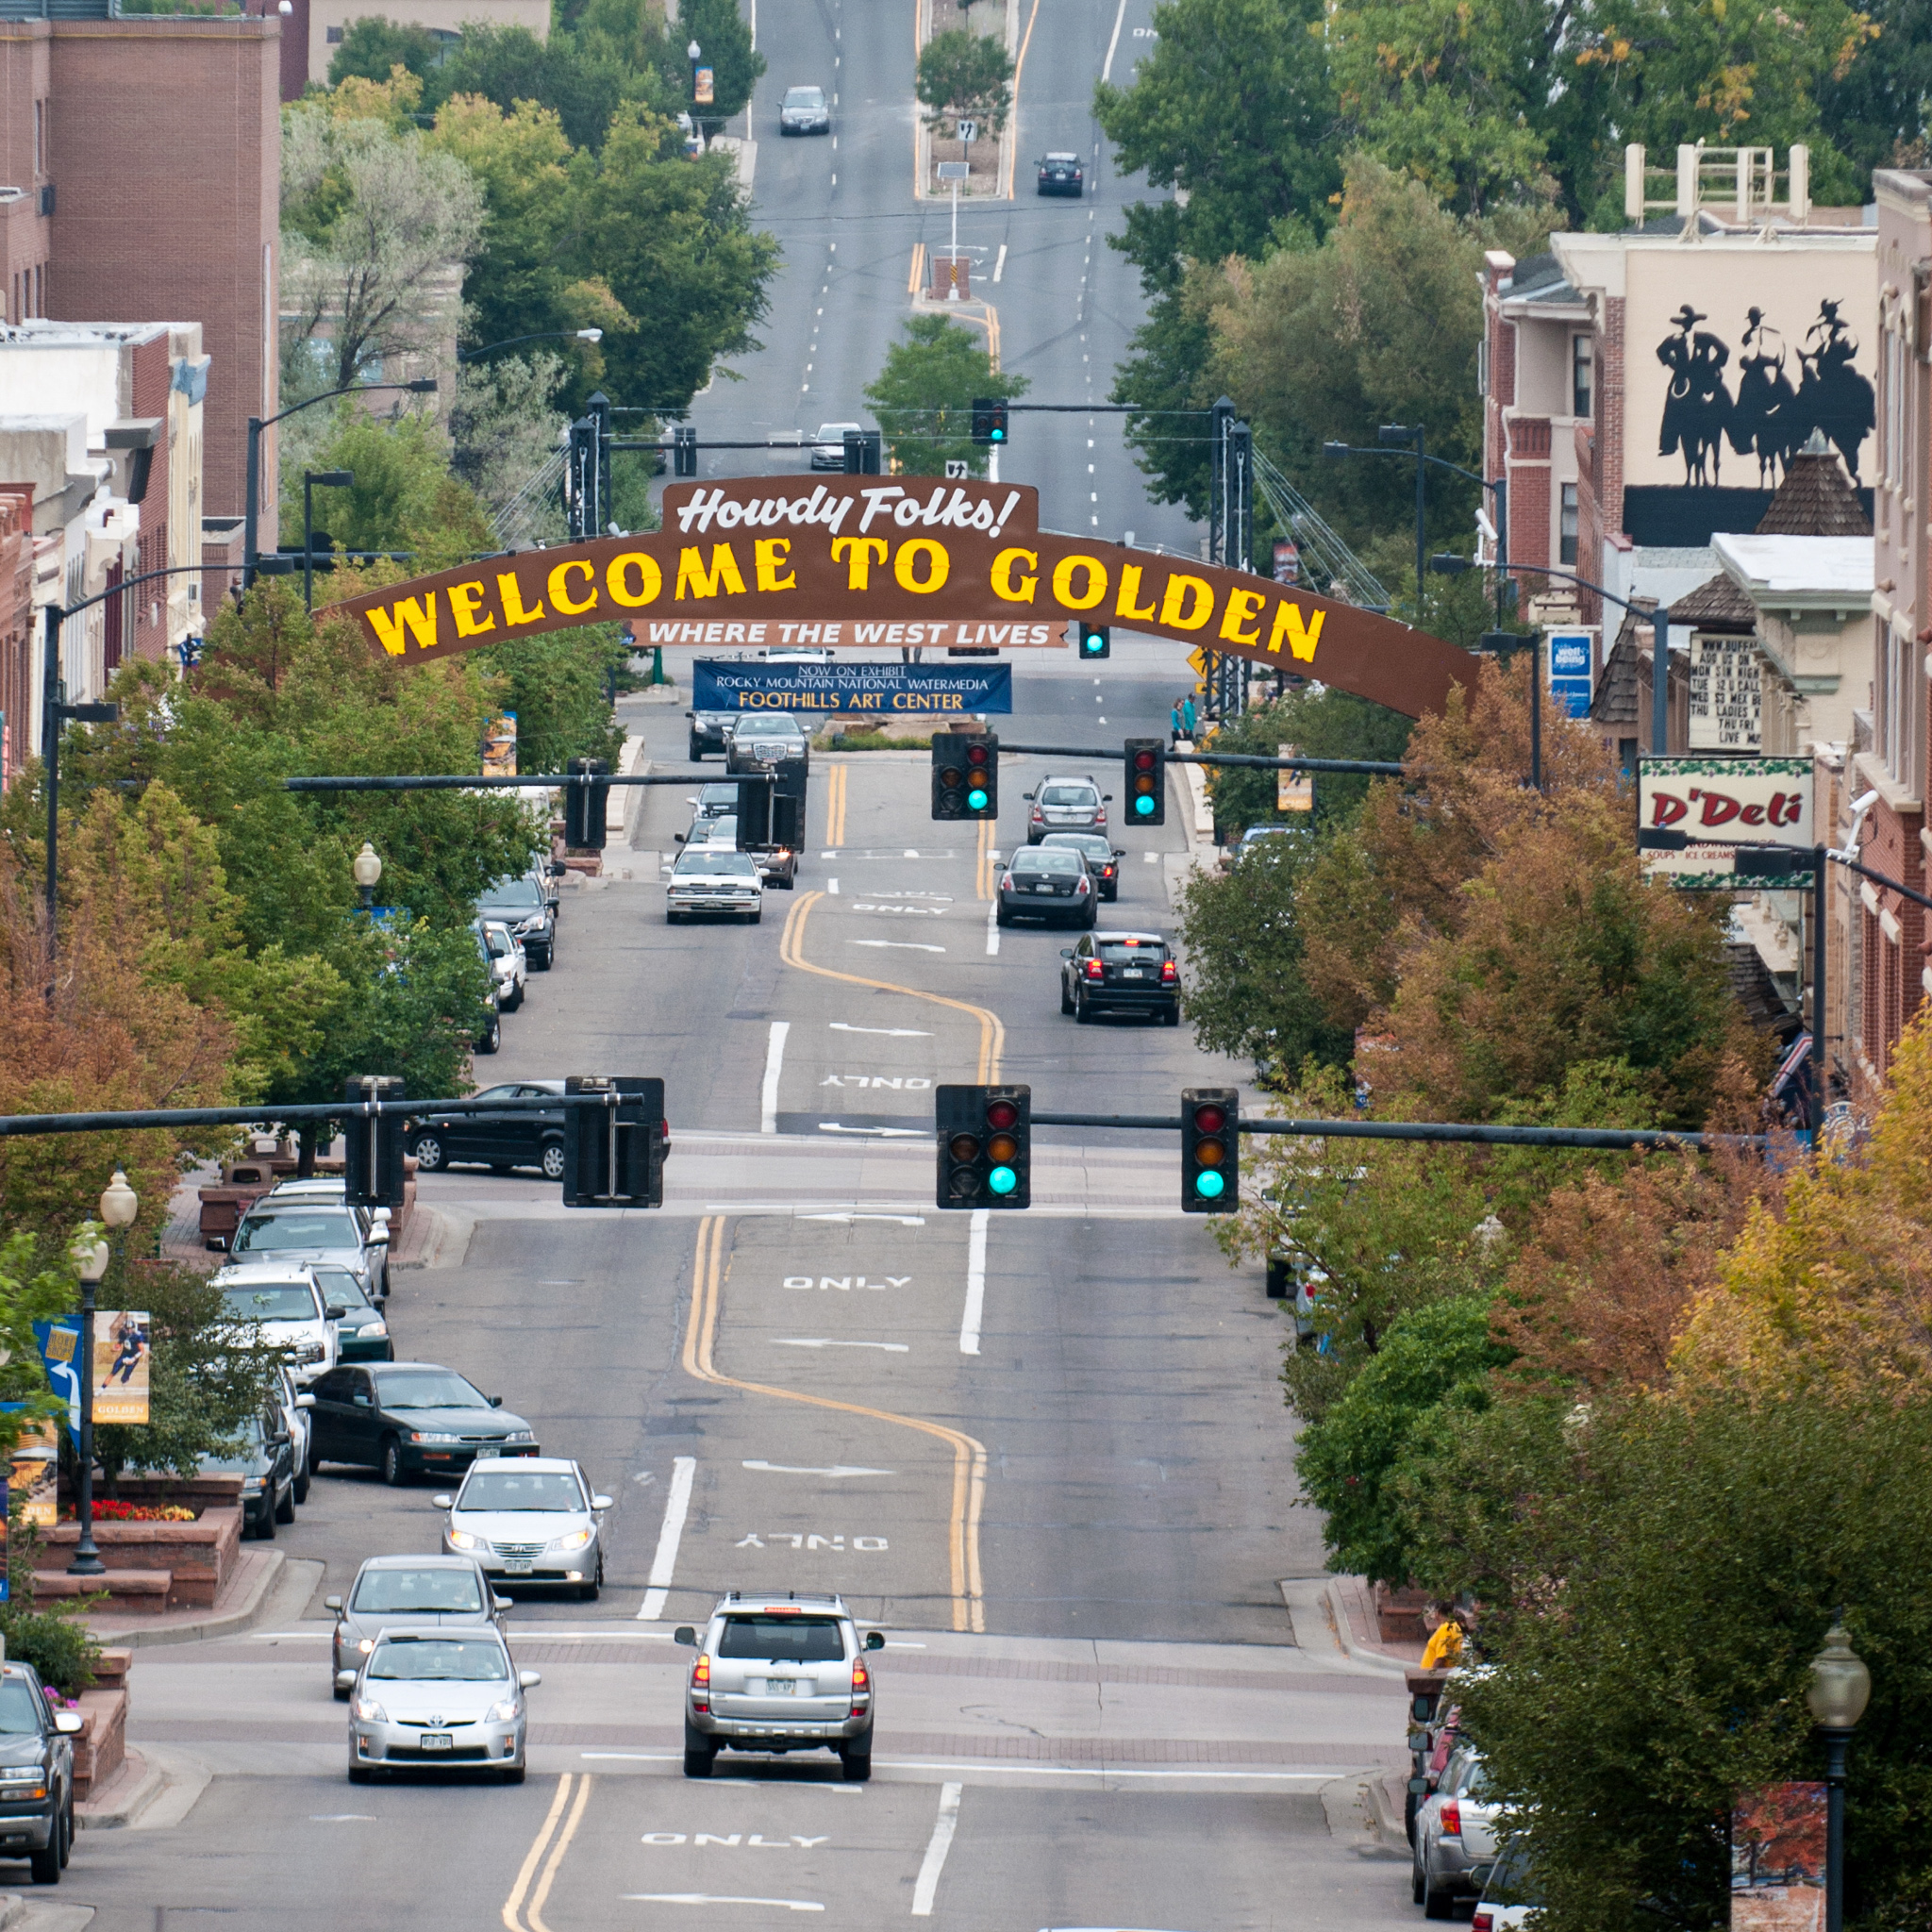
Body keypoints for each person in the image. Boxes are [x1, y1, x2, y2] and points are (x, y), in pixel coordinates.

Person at [1420, 1600, 1464, 1671]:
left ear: (1438, 1613)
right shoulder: (1455, 1626)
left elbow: (1441, 1658)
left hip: (1439, 1675)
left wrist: (1431, 1674)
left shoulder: (1445, 1629)